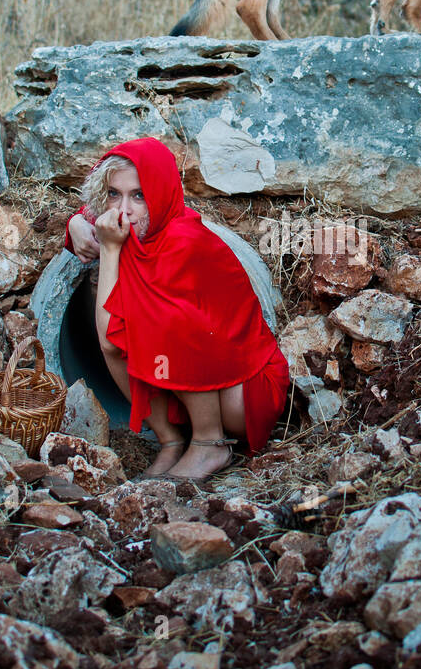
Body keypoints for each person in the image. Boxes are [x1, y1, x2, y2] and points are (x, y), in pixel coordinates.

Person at [64, 136, 290, 482]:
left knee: (161, 322)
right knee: (125, 336)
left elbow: (125, 334)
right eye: (114, 194)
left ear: (161, 191)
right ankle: (171, 441)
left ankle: (210, 444)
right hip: (194, 385)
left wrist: (109, 250)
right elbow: (110, 343)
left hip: (244, 393)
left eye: (139, 195)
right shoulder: (143, 230)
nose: (123, 210)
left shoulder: (182, 242)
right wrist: (79, 221)